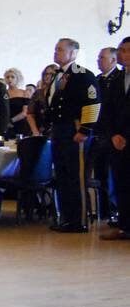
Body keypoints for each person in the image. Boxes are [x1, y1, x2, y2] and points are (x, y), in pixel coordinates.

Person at [47, 37, 100, 233]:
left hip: (74, 129)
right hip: (59, 130)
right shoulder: (57, 75)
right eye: (55, 49)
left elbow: (93, 103)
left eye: (60, 50)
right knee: (62, 174)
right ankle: (67, 218)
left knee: (75, 177)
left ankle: (79, 220)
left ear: (73, 53)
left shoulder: (83, 75)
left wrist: (85, 129)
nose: (56, 53)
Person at [99, 37, 130, 241]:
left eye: (126, 50)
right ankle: (125, 226)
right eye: (120, 50)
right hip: (117, 139)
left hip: (128, 137)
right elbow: (107, 110)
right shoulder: (117, 79)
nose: (121, 54)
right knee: (121, 182)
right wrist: (113, 135)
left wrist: (126, 135)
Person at [93, 46, 121, 221]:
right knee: (100, 173)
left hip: (112, 133)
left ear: (113, 60)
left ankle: (115, 209)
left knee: (113, 174)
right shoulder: (98, 80)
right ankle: (103, 210)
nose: (98, 60)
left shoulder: (117, 79)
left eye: (102, 58)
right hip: (99, 133)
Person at [25, 64, 59, 136]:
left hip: (57, 130)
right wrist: (35, 131)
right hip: (40, 129)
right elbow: (30, 113)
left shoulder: (62, 92)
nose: (48, 76)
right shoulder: (38, 93)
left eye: (51, 74)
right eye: (46, 74)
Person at [2, 68, 29, 140]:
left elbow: (25, 112)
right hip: (7, 127)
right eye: (7, 77)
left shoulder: (24, 93)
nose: (10, 79)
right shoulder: (3, 93)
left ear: (17, 78)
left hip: (21, 125)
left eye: (12, 77)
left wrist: (11, 121)